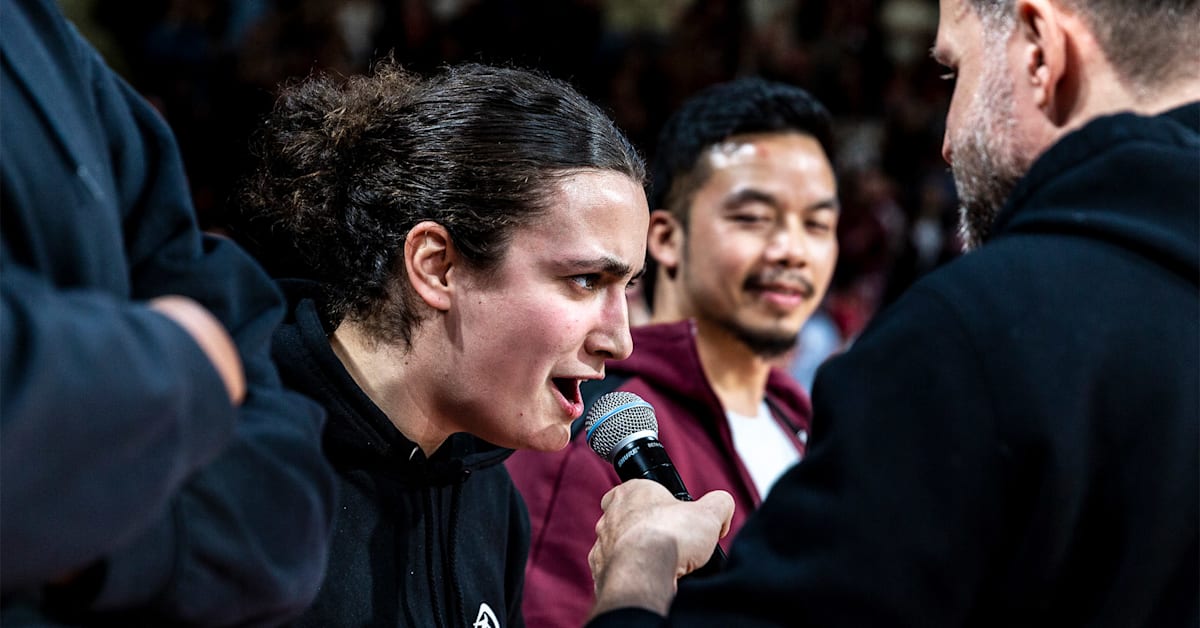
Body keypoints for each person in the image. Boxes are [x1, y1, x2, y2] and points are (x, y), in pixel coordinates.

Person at [586, 0, 1199, 625]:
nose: (948, 143)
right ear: (666, 237)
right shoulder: (595, 434)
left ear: (1041, 51)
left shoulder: (967, 340)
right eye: (751, 216)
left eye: (954, 73)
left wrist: (636, 570)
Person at [227, 60, 649, 627]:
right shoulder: (231, 464)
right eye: (585, 280)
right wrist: (634, 589)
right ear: (438, 267)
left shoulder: (490, 498)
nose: (620, 341)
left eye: (628, 287)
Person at [0, 0, 337, 625]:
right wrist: (187, 359)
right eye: (576, 279)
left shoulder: (47, 42)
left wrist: (78, 536)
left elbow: (284, 510)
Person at [506, 77, 841, 628]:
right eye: (754, 217)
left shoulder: (806, 422)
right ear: (664, 239)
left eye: (818, 224)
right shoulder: (583, 431)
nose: (792, 250)